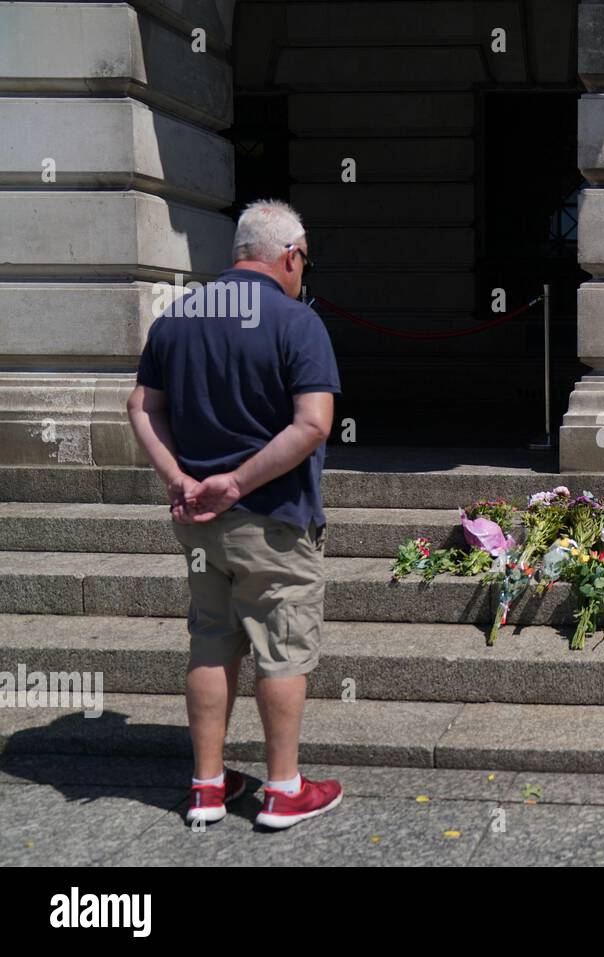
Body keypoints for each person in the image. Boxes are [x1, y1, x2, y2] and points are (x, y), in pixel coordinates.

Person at [127, 199, 343, 827]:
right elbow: (314, 425)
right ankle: (282, 790)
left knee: (211, 638)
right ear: (289, 256)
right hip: (272, 515)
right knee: (281, 647)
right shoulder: (296, 321)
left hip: (196, 519)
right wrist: (236, 482)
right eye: (303, 260)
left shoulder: (179, 316)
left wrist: (180, 479)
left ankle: (207, 787)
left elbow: (141, 407)